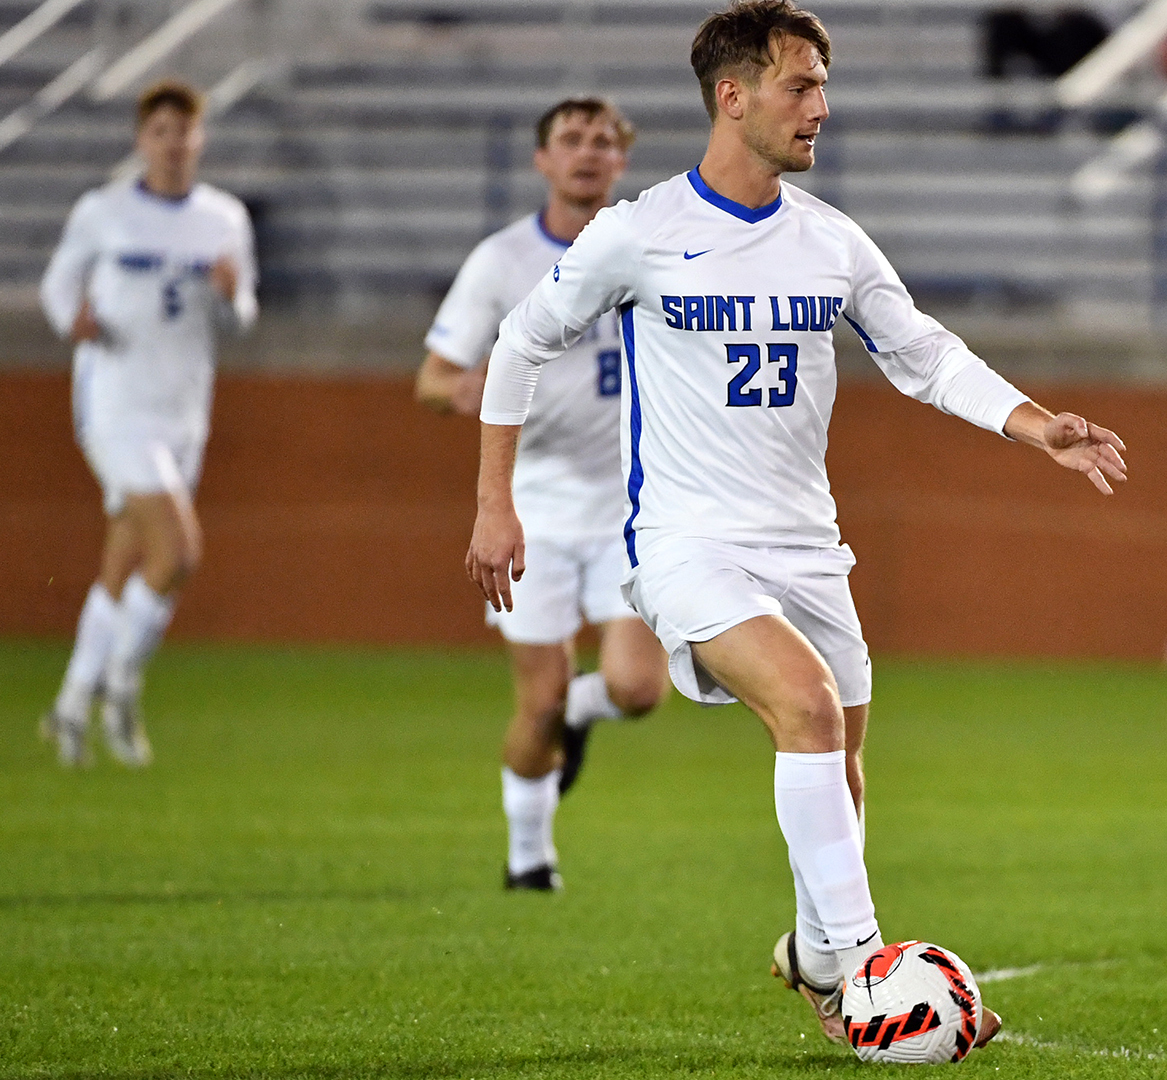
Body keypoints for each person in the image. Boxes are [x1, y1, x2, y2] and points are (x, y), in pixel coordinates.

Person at [465, 0, 1126, 1050]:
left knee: (843, 768)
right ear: (733, 96)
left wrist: (1037, 427)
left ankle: (819, 959)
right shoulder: (638, 233)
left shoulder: (830, 240)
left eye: (823, 84)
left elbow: (925, 353)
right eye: (801, 85)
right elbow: (516, 344)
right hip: (686, 545)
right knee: (809, 712)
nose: (822, 106)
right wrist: (496, 502)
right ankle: (870, 978)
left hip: (809, 547)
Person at [415, 97, 671, 892]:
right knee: (538, 700)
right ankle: (530, 859)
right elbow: (430, 378)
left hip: (631, 509)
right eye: (571, 140)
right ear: (543, 160)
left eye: (603, 142)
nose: (587, 153)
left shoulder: (651, 250)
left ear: (622, 163)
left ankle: (580, 719)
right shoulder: (502, 261)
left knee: (635, 689)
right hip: (537, 512)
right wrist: (462, 389)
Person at [37, 80, 257, 769]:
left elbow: (243, 313)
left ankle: (71, 706)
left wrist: (230, 297)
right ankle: (122, 684)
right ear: (142, 140)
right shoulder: (104, 211)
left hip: (184, 406)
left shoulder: (224, 217)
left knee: (126, 558)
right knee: (179, 553)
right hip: (115, 402)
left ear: (200, 140)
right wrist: (69, 318)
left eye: (184, 132)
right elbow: (56, 284)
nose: (173, 144)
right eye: (160, 131)